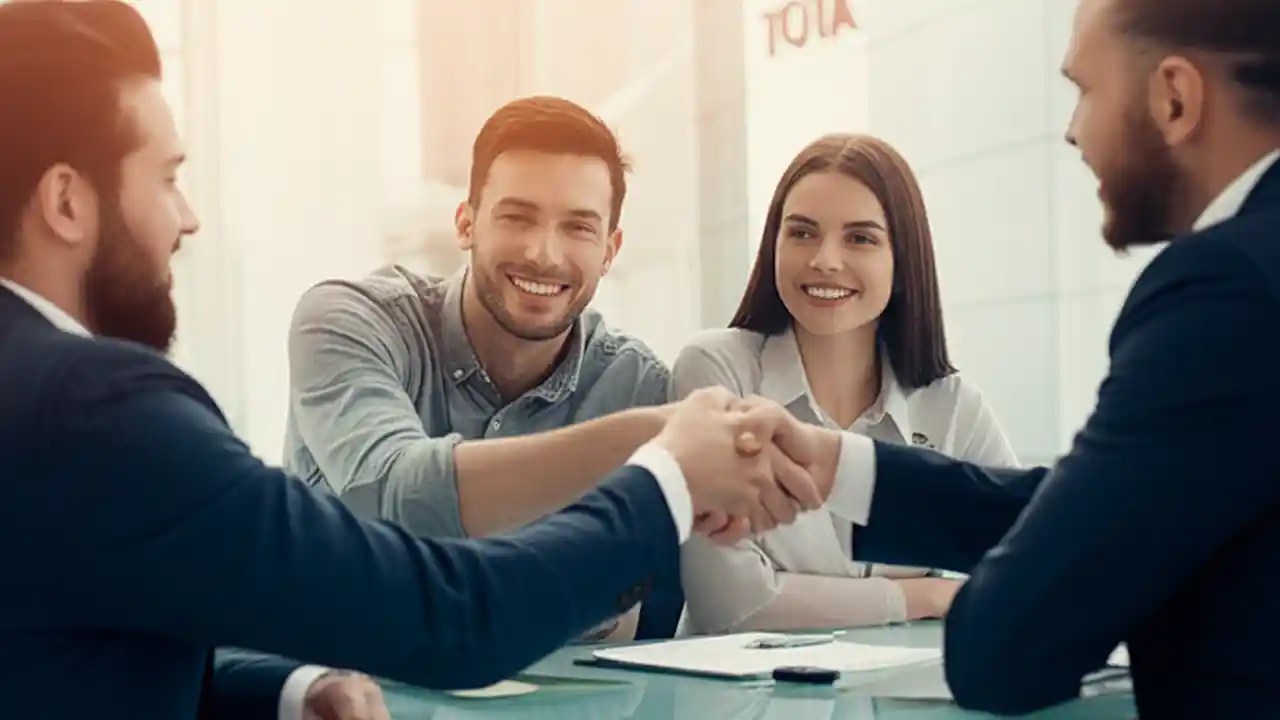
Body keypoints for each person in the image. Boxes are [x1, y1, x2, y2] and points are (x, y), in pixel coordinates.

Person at [0, 3, 821, 718]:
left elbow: (77, 651)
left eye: (577, 226)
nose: (187, 218)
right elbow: (452, 617)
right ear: (67, 202)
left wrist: (284, 693)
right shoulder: (101, 408)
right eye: (168, 176)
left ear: (610, 245)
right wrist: (666, 466)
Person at [724, 0, 1280, 715]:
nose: (1074, 131)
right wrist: (843, 467)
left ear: (1175, 97)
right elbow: (1105, 512)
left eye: (1084, 89)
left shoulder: (1228, 287)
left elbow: (1006, 647)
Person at [282, 96, 683, 639]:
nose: (544, 253)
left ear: (610, 250)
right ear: (466, 223)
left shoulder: (636, 383)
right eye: (518, 217)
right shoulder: (349, 322)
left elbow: (640, 604)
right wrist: (638, 439)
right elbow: (393, 495)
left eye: (578, 228)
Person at [672, 134, 1018, 635]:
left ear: (903, 263)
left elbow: (1025, 559)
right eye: (802, 233)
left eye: (860, 238)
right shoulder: (716, 373)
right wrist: (924, 595)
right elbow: (733, 606)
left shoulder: (950, 405)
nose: (825, 260)